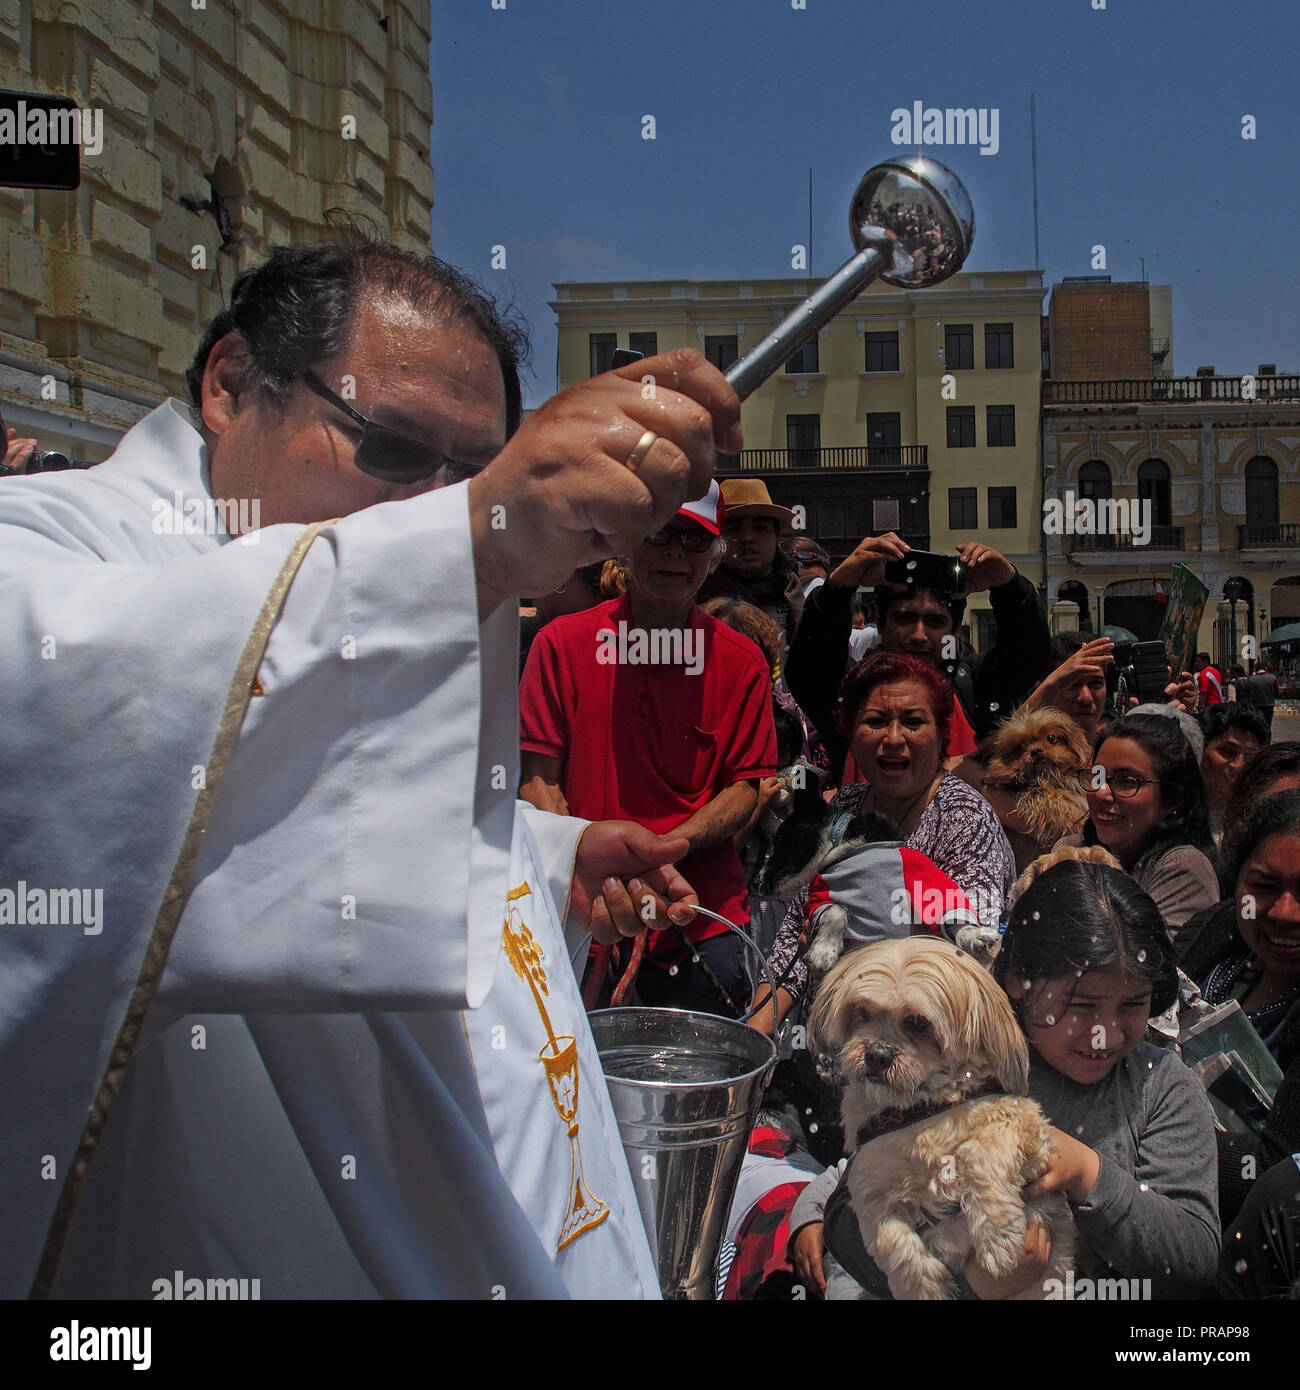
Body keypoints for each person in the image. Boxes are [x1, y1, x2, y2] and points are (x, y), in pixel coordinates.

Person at [0, 234, 747, 1299]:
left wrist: (546, 852)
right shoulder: (54, 541)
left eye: (468, 471)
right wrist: (479, 533)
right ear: (230, 385)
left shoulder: (339, 553)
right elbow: (82, 749)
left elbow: (339, 808)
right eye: (391, 449)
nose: (423, 507)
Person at [791, 860, 1220, 1299]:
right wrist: (970, 1287)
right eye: (1082, 1005)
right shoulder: (953, 1065)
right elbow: (856, 1201)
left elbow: (1193, 1255)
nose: (1105, 1032)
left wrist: (1085, 1172)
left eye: (1133, 1005)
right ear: (1018, 981)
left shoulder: (1161, 1086)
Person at [518, 483, 777, 1016]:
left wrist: (655, 857)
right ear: (625, 542)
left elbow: (744, 791)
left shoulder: (742, 661)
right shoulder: (559, 646)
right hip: (583, 916)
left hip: (700, 921)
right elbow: (540, 782)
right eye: (657, 534)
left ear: (712, 557)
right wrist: (599, 863)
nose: (674, 553)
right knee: (568, 1085)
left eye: (693, 540)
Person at [762, 651, 1015, 1028]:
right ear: (849, 731)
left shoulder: (965, 819)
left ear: (941, 734)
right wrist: (754, 1035)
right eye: (876, 721)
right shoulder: (844, 808)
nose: (894, 738)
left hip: (921, 1051)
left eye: (913, 722)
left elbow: (967, 963)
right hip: (833, 1040)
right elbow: (792, 944)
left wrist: (847, 955)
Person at [785, 532, 1051, 773]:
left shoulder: (975, 688)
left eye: (935, 621)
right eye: (905, 618)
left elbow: (1028, 652)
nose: (919, 635)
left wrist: (1009, 586)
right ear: (880, 619)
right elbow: (808, 667)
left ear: (955, 627)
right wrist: (839, 587)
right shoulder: (851, 691)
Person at [1177, 790, 1300, 1227]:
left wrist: (1152, 1137)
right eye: (1263, 887)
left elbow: (1275, 1174)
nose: (1285, 912)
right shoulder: (1212, 936)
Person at [1058, 713, 1219, 933]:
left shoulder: (1183, 867)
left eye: (1127, 781)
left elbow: (1141, 960)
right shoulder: (1071, 850)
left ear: (1172, 799)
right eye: (1097, 776)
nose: (1101, 793)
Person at [697, 478, 804, 646]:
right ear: (717, 538)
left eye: (760, 527)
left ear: (777, 535)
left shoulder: (807, 592)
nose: (747, 538)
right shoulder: (692, 600)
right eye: (734, 528)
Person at [1199, 703, 1269, 843]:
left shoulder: (1261, 820)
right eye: (1227, 752)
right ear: (1200, 747)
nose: (1238, 766)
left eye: (1250, 757)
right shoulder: (1171, 811)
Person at [1241, 662, 1280, 734]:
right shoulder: (1273, 678)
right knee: (1267, 726)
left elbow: (1248, 694)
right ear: (1265, 668)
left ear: (1255, 669)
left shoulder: (1251, 679)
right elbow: (1277, 693)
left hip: (1256, 706)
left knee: (1257, 726)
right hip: (1269, 706)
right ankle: (1267, 742)